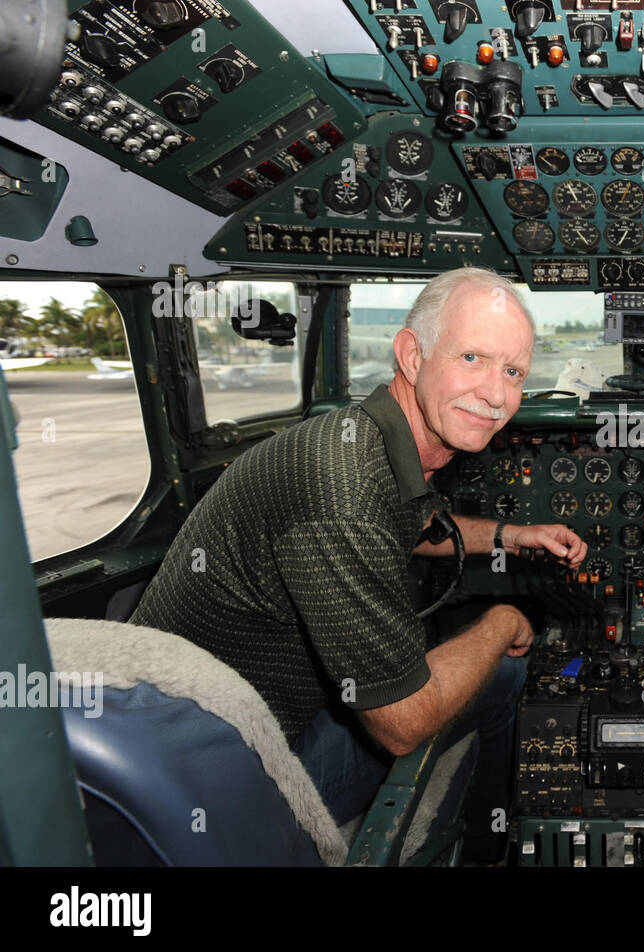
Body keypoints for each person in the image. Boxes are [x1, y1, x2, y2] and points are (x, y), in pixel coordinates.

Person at [130, 267, 587, 858]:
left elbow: (416, 527)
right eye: (472, 357)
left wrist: (511, 534)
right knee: (500, 673)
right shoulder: (342, 488)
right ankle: (484, 848)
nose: (497, 395)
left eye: (513, 371)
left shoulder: (362, 435)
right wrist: (502, 622)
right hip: (214, 783)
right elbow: (403, 725)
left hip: (204, 736)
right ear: (411, 355)